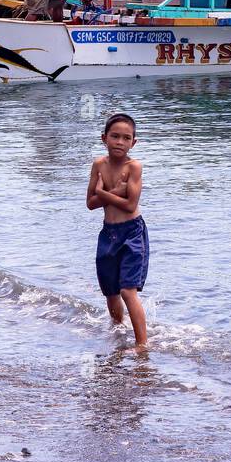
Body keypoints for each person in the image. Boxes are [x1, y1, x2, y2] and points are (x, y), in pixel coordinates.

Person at [86, 113, 148, 348]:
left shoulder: (134, 167)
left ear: (134, 142)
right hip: (108, 232)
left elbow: (131, 205)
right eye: (115, 136)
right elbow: (90, 203)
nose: (120, 142)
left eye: (126, 138)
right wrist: (116, 192)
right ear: (104, 138)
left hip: (132, 232)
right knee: (111, 290)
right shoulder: (99, 164)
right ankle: (118, 332)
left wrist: (104, 193)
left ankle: (142, 344)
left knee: (127, 290)